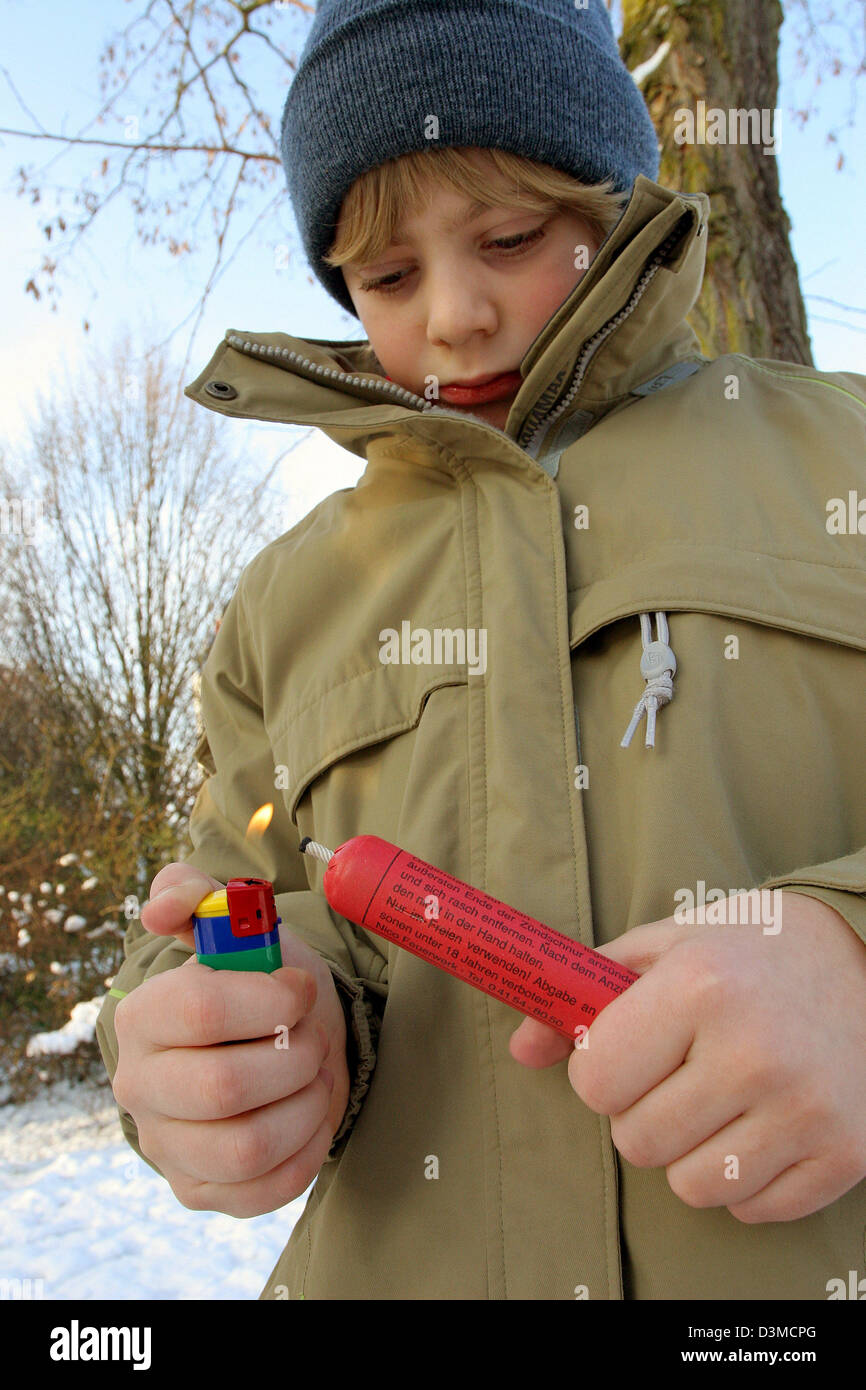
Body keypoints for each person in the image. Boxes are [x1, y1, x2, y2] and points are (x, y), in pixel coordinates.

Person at [96, 0, 866, 1300]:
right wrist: (205, 1031)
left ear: (614, 200)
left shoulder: (836, 457)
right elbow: (233, 898)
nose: (452, 313)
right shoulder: (281, 603)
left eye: (508, 237)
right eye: (386, 276)